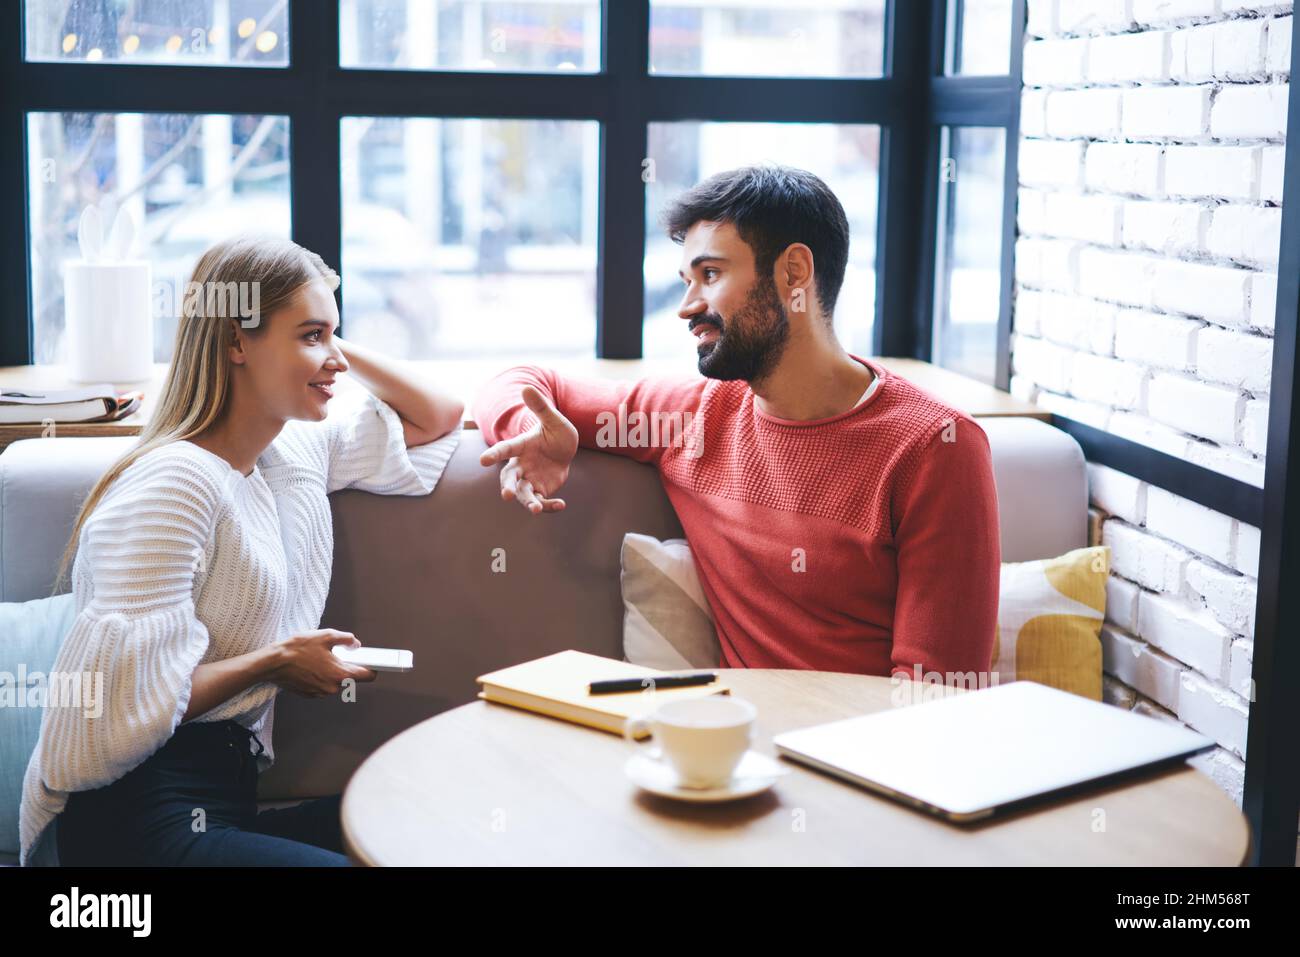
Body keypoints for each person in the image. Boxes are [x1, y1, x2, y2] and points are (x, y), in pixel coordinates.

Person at [19, 236, 463, 866]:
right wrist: (275, 662)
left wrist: (324, 342)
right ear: (234, 343)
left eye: (335, 337)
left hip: (221, 803)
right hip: (136, 819)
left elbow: (439, 412)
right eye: (309, 335)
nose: (336, 360)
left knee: (434, 817)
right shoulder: (173, 483)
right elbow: (118, 703)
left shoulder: (290, 456)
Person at [474, 165, 1000, 681]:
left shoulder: (936, 449)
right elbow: (520, 378)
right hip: (733, 749)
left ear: (794, 273)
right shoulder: (687, 417)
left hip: (863, 756)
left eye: (710, 274)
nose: (686, 307)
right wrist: (530, 425)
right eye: (687, 280)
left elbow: (934, 699)